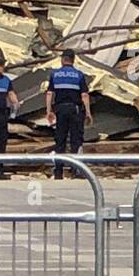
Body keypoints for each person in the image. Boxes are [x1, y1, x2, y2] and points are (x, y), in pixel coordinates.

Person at [45, 49, 91, 179]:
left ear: (62, 59)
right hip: (75, 110)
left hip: (60, 110)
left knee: (60, 140)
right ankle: (75, 170)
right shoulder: (79, 75)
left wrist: (49, 111)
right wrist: (88, 112)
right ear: (73, 60)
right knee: (75, 140)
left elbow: (49, 94)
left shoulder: (55, 74)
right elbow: (84, 95)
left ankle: (58, 172)